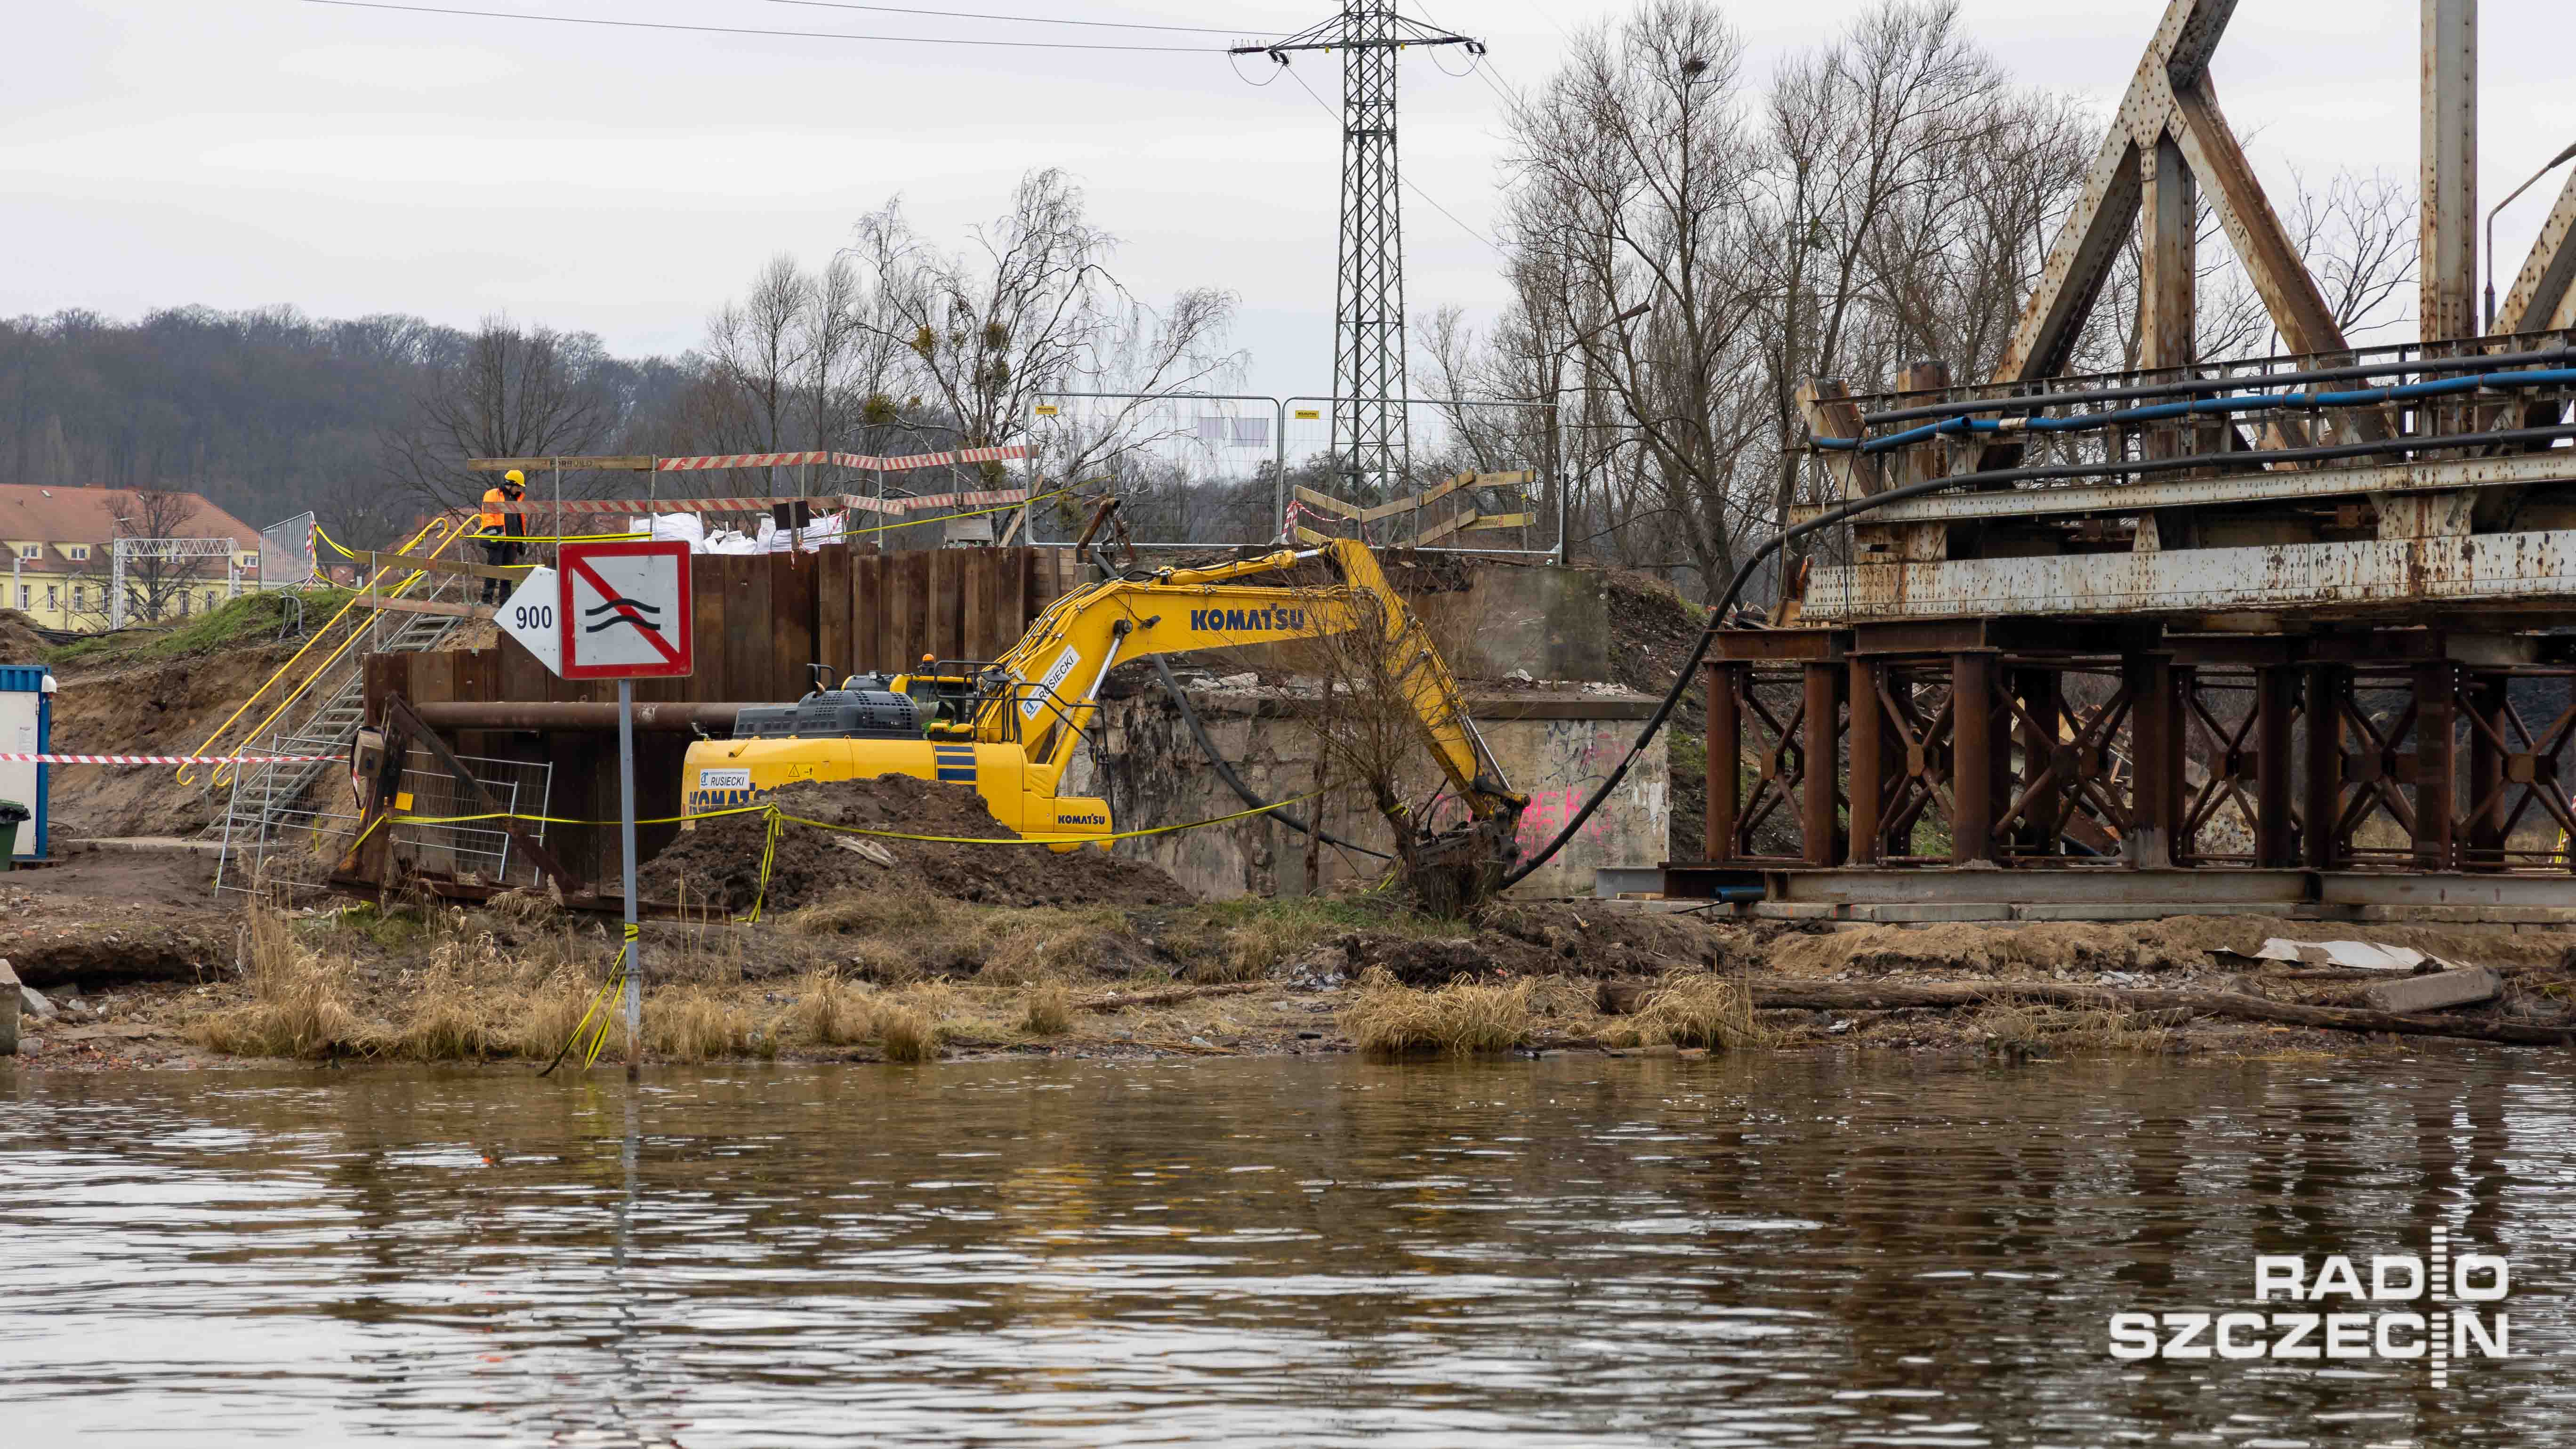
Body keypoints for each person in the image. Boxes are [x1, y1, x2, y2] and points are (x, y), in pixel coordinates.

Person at [478, 470, 527, 604]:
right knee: (493, 571)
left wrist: (523, 540)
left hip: (512, 541)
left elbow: (520, 520)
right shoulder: (493, 495)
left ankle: (505, 602)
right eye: (518, 486)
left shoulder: (516, 498)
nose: (519, 489)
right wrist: (493, 533)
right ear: (510, 484)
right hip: (497, 540)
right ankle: (486, 601)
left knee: (508, 573)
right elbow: (487, 516)